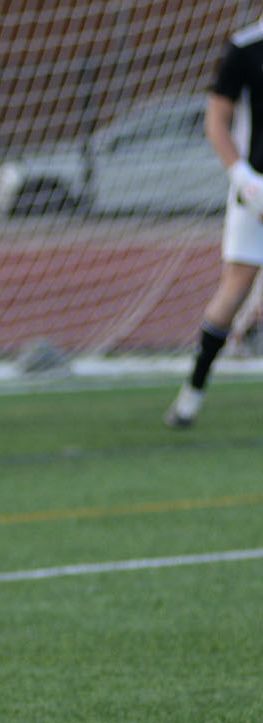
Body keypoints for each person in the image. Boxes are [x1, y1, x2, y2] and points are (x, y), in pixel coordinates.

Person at [168, 16, 263, 428]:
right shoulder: (245, 47)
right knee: (235, 288)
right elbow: (216, 120)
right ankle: (192, 392)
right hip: (255, 190)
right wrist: (243, 178)